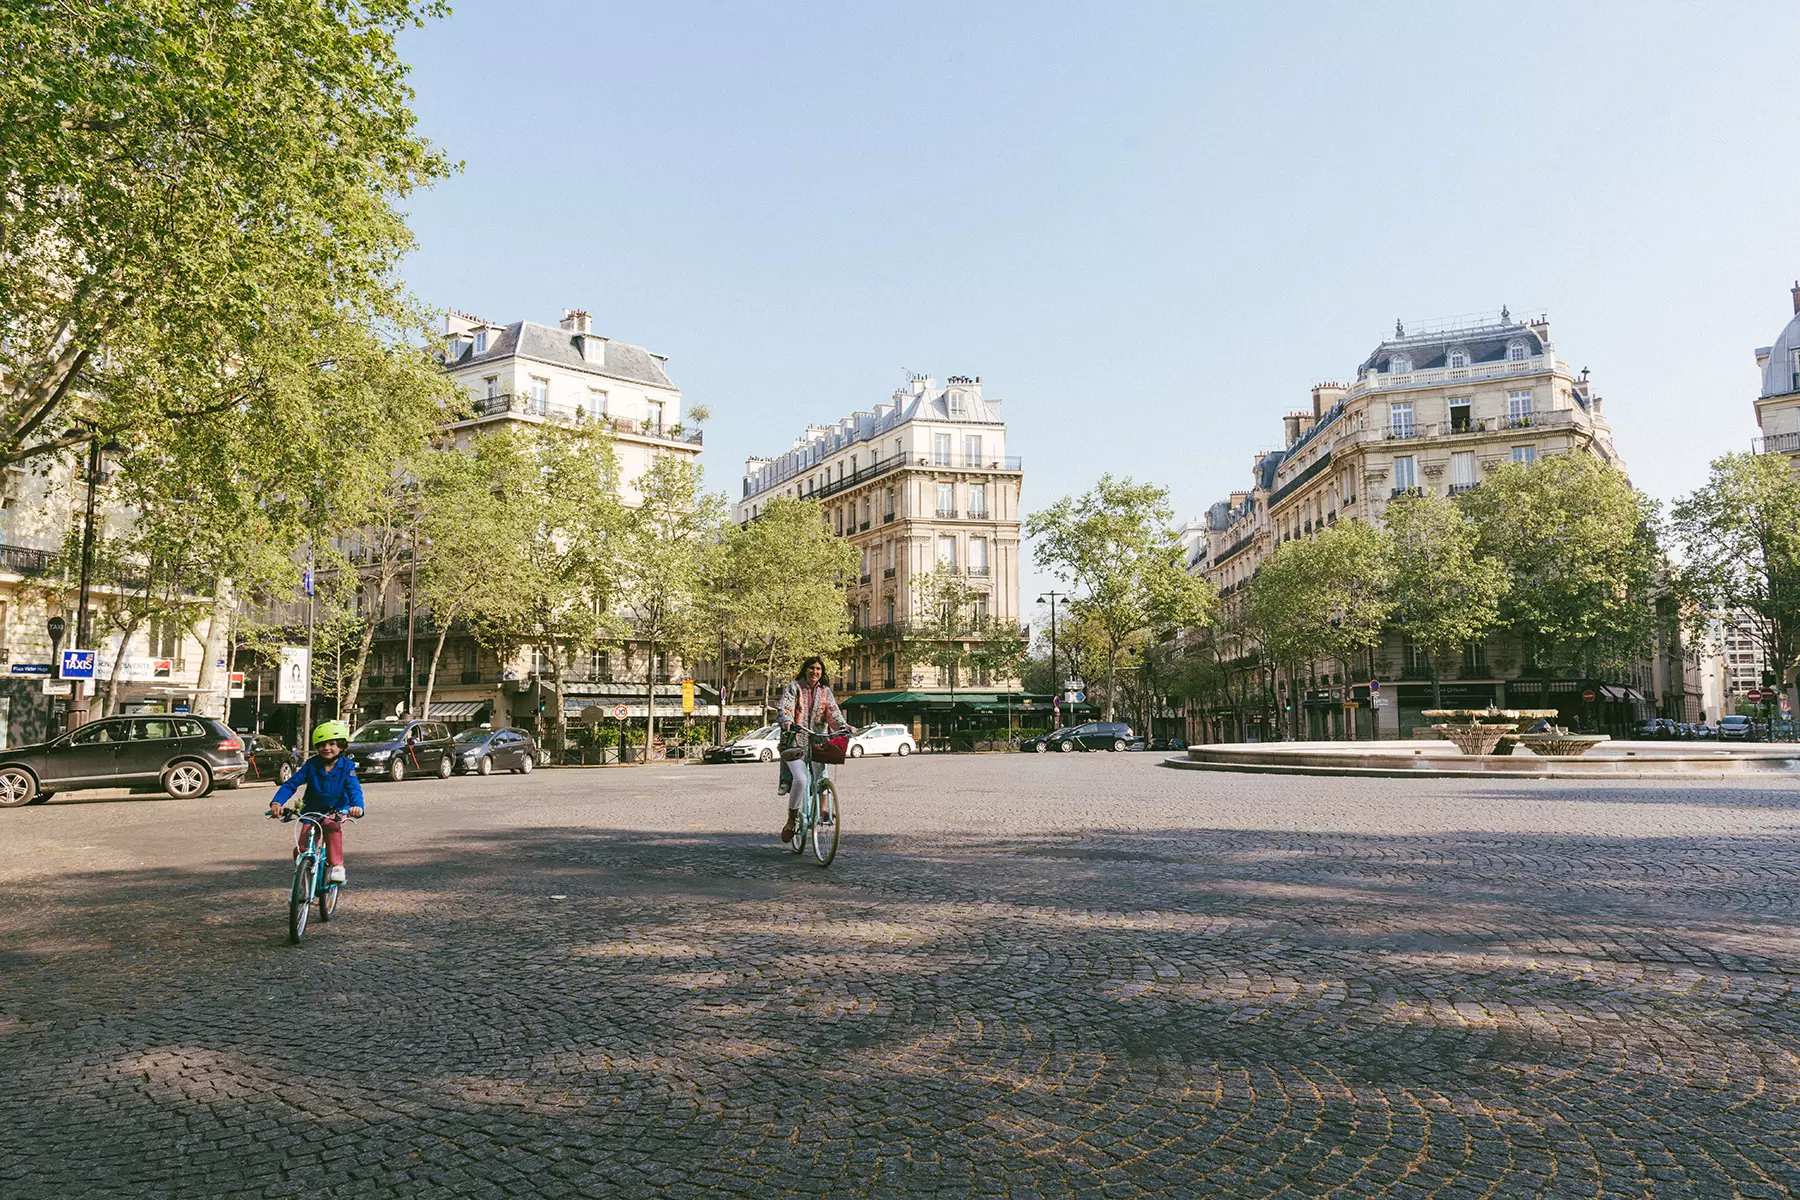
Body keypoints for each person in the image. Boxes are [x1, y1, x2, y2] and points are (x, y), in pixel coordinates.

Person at [268, 719, 365, 883]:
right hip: (312, 809)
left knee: (330, 825)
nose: (326, 748)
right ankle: (304, 874)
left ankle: (337, 866)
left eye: (332, 744)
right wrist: (277, 802)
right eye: (321, 744)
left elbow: (354, 789)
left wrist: (357, 807)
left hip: (337, 809)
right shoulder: (311, 764)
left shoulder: (347, 766)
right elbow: (292, 784)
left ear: (341, 746)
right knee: (303, 848)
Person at [776, 656, 846, 842]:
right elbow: (785, 708)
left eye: (818, 669)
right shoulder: (794, 687)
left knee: (822, 777)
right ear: (805, 670)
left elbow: (833, 712)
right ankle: (791, 820)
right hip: (795, 742)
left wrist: (843, 727)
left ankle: (824, 808)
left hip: (818, 741)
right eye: (811, 668)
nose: (815, 672)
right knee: (801, 780)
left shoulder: (825, 691)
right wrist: (788, 721)